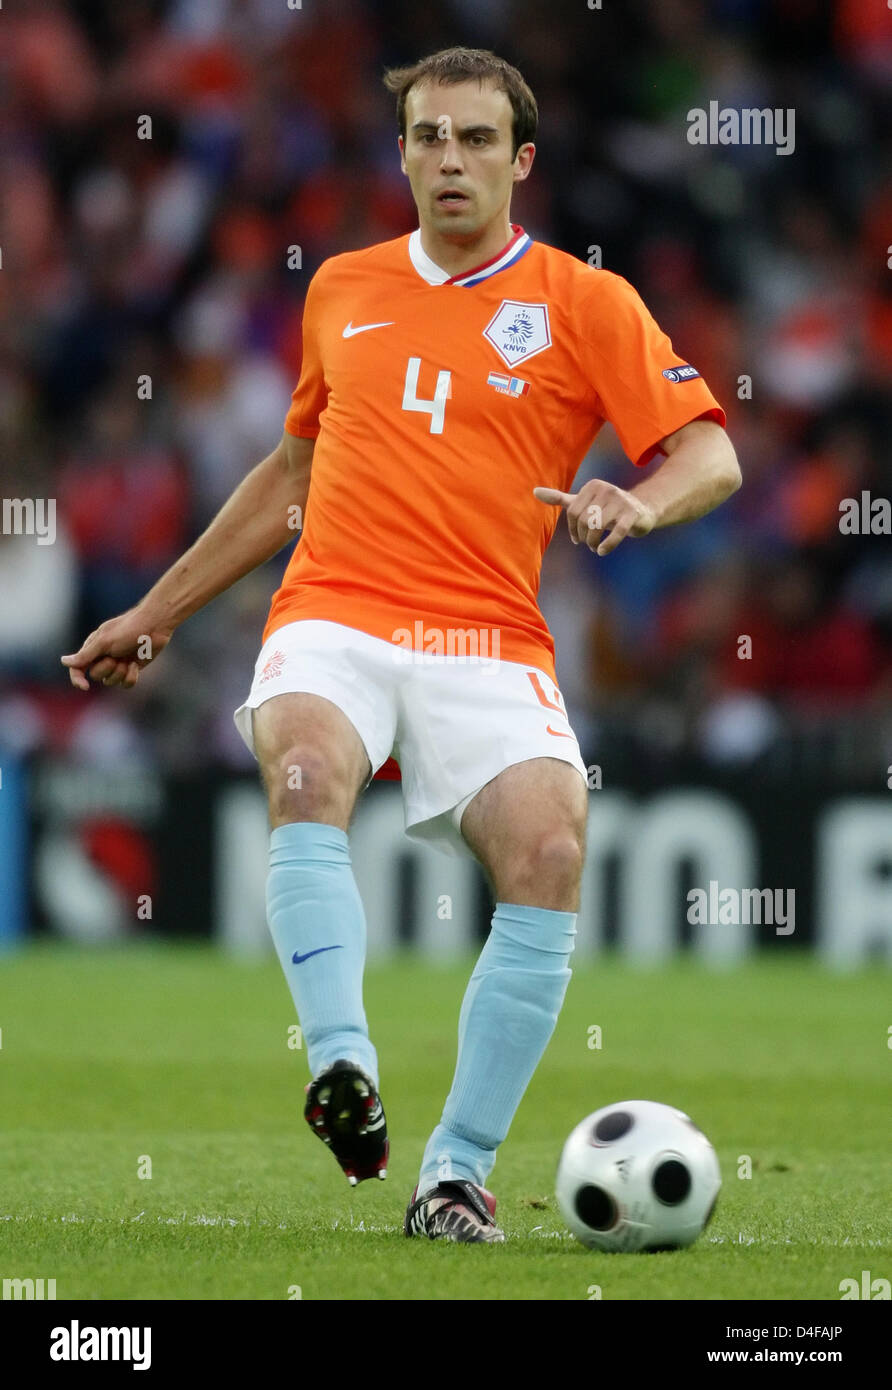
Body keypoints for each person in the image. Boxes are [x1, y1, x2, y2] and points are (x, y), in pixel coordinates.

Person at [62, 46, 741, 1244]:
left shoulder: (587, 304)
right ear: (402, 153)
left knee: (548, 846)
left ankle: (454, 1175)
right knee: (306, 771)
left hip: (490, 633)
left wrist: (635, 502)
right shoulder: (342, 288)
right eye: (430, 136)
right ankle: (344, 1070)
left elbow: (709, 454)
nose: (450, 161)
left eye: (478, 140)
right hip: (337, 607)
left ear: (521, 162)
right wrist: (156, 612)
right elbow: (294, 475)